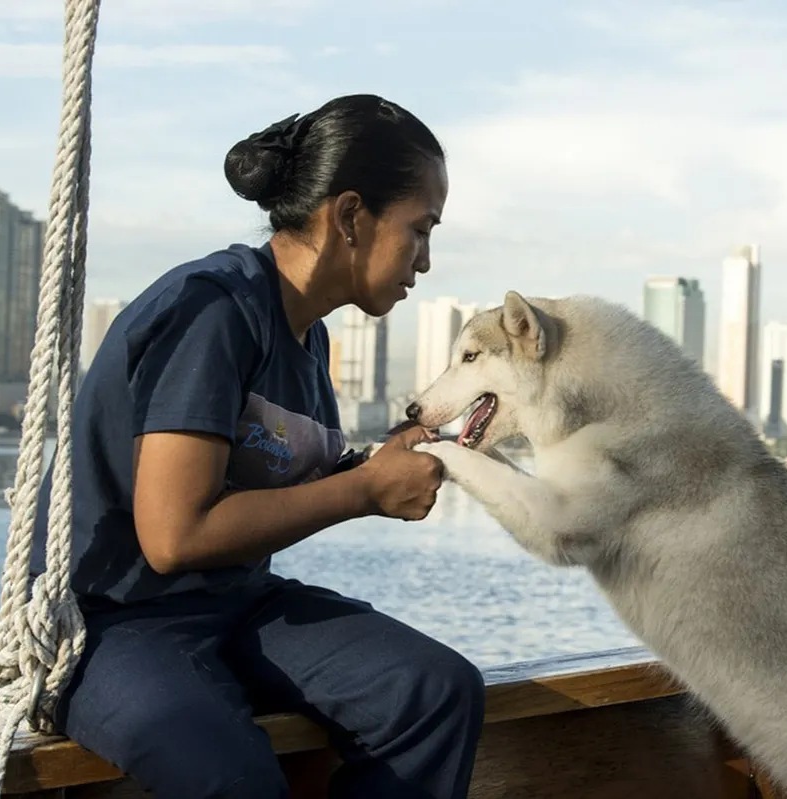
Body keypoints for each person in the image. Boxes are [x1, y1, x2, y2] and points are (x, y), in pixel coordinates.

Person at [30, 93, 486, 799]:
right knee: (232, 778)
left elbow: (270, 478)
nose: (425, 260)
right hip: (113, 622)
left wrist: (380, 461)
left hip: (234, 604)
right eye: (419, 230)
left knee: (435, 691)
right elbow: (174, 536)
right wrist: (363, 490)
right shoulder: (210, 309)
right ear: (349, 217)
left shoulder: (310, 336)